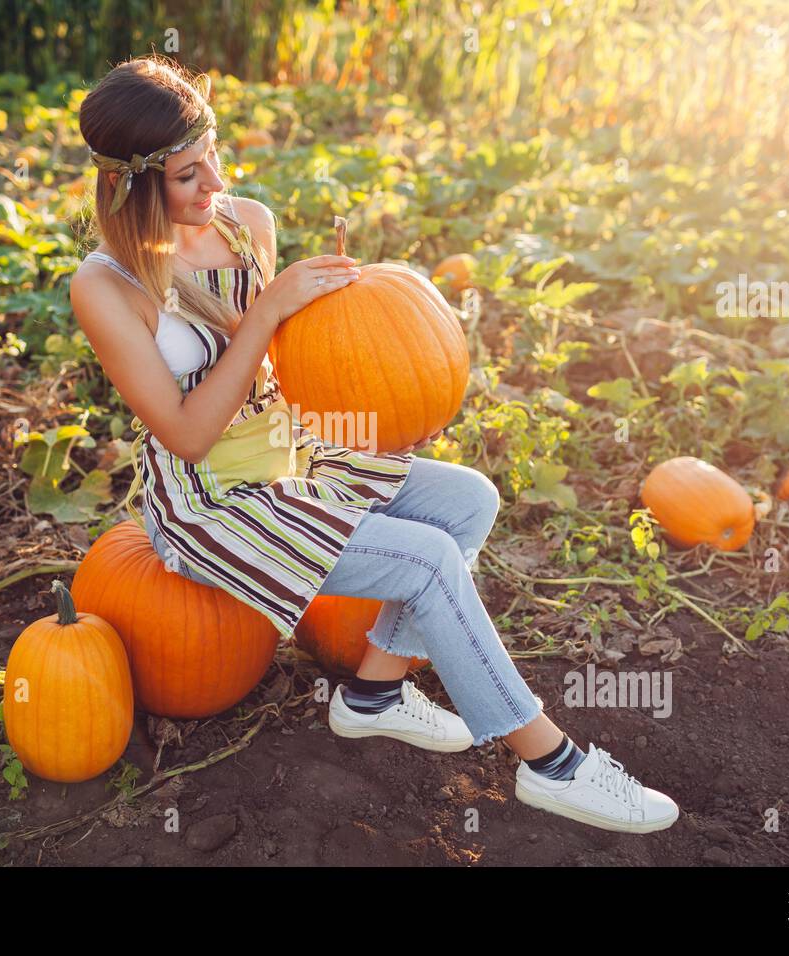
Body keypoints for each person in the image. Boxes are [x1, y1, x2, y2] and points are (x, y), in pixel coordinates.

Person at [69, 55, 678, 833]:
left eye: (214, 155)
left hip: (293, 456)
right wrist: (266, 314)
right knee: (425, 562)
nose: (216, 182)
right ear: (129, 184)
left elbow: (299, 368)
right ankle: (551, 765)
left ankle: (373, 695)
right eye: (189, 175)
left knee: (467, 500)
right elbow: (187, 437)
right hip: (210, 500)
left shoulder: (246, 224)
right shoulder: (107, 286)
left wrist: (377, 364)